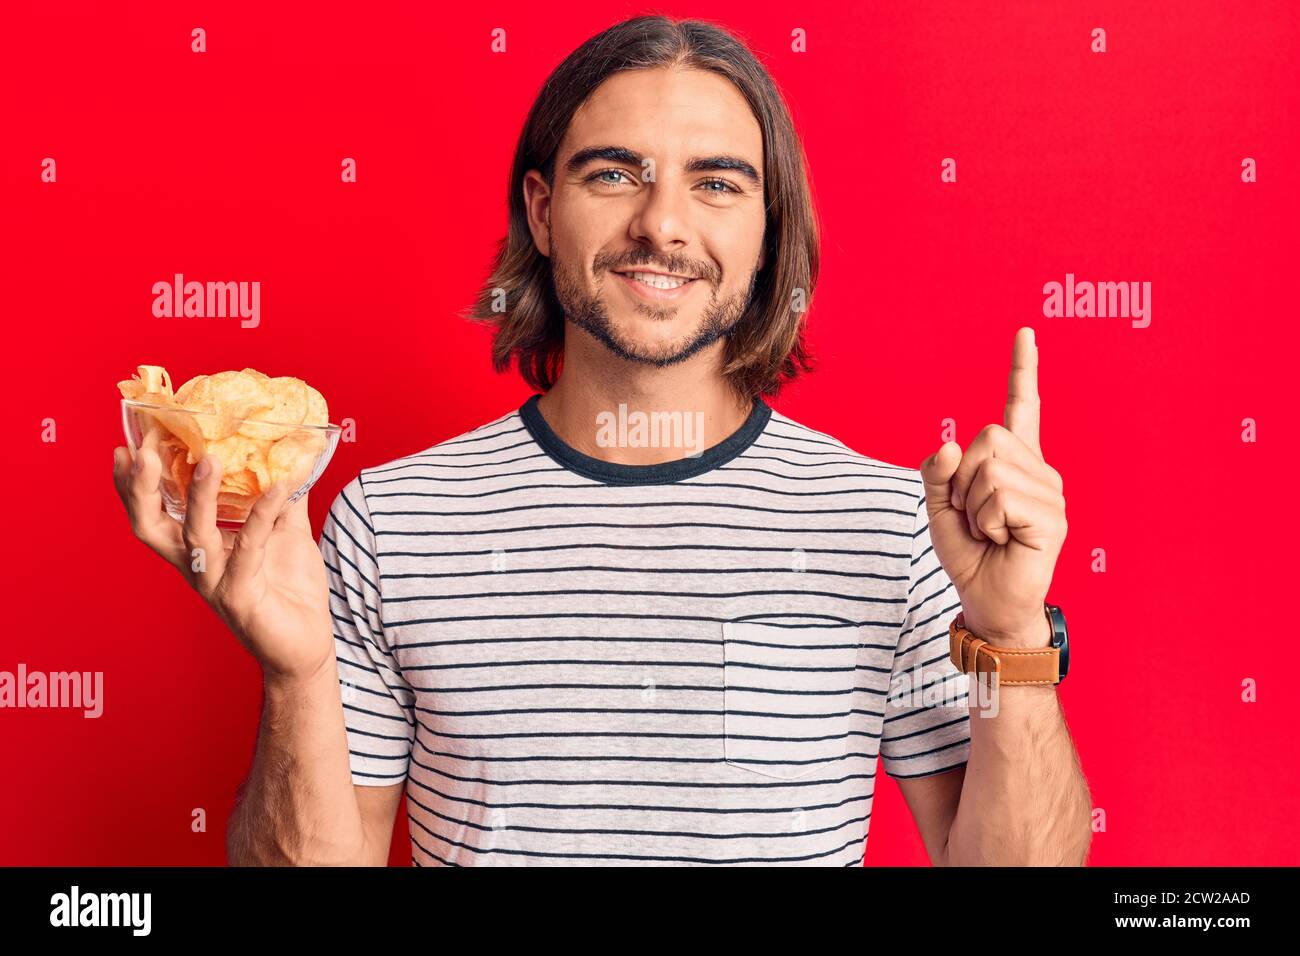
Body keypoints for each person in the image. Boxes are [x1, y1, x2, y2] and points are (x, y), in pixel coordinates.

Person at [112, 14, 1090, 866]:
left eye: (716, 183)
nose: (661, 224)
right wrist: (297, 672)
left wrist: (1011, 635)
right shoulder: (393, 521)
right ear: (542, 210)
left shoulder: (890, 526)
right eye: (615, 172)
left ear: (765, 231)